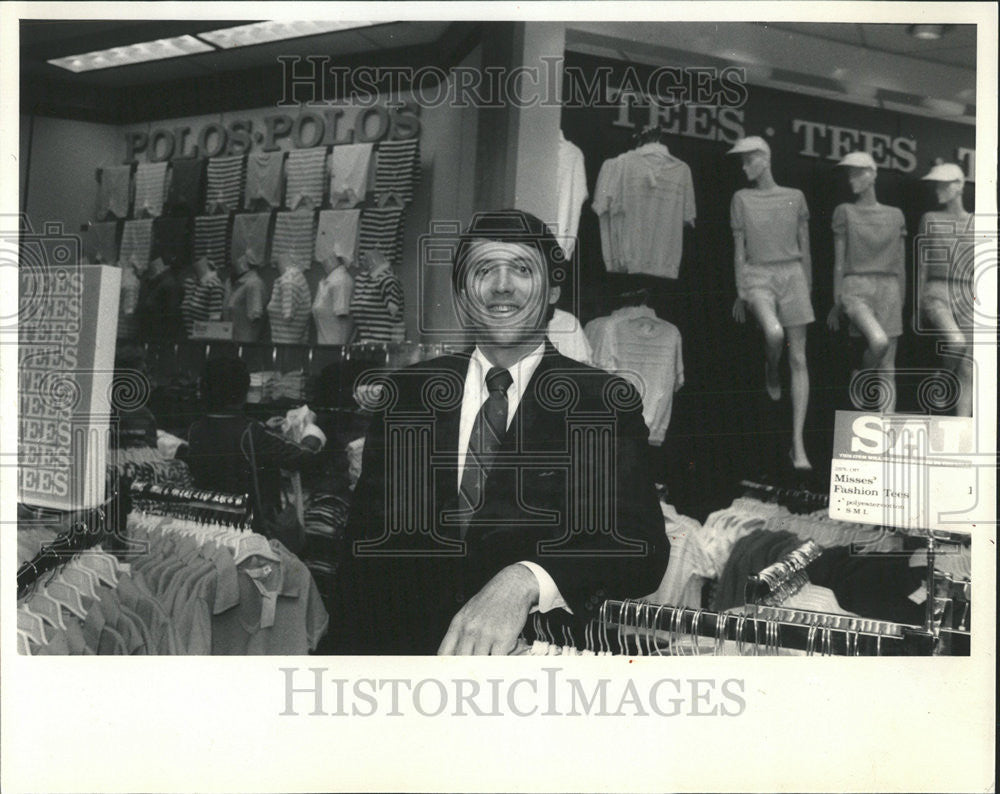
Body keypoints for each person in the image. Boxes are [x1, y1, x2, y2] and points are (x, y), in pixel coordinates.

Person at [336, 209, 669, 655]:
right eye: (483, 270)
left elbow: (642, 548)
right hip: (401, 667)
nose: (502, 286)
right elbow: (360, 554)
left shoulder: (603, 403)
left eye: (522, 269)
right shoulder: (407, 395)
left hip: (528, 674)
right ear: (461, 293)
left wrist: (527, 578)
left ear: (553, 289)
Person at [728, 136, 814, 471]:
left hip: (792, 274)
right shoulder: (741, 198)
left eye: (749, 159)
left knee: (800, 357)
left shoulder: (795, 197)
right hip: (758, 275)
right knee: (775, 333)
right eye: (742, 161)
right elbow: (739, 248)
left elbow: (805, 247)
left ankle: (798, 444)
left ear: (765, 158)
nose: (744, 167)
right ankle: (772, 368)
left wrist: (807, 286)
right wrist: (741, 289)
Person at [184, 357, 327, 529]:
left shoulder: (196, 428)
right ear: (244, 391)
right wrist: (311, 428)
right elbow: (305, 456)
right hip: (249, 528)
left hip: (206, 523)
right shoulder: (251, 432)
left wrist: (265, 428)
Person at [826, 151, 907, 413]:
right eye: (849, 174)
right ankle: (861, 372)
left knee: (888, 368)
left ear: (872, 174)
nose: (851, 179)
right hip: (856, 289)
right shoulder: (845, 212)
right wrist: (837, 301)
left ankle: (887, 431)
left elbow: (900, 264)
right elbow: (839, 261)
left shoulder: (895, 215)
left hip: (889, 289)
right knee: (879, 342)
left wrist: (901, 300)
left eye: (857, 173)